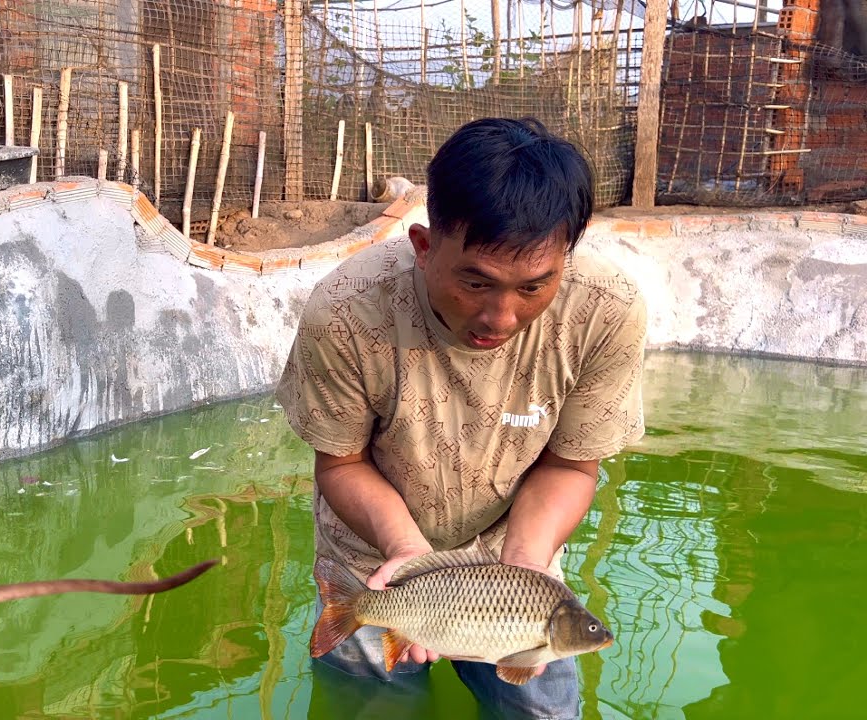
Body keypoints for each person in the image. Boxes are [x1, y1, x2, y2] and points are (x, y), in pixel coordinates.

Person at [277, 117, 646, 720]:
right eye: (476, 281)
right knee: (369, 711)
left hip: (519, 575)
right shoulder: (344, 311)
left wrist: (524, 568)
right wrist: (410, 556)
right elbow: (340, 462)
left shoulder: (606, 311)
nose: (501, 318)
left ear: (566, 260)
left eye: (534, 287)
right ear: (424, 248)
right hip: (376, 568)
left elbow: (571, 466)